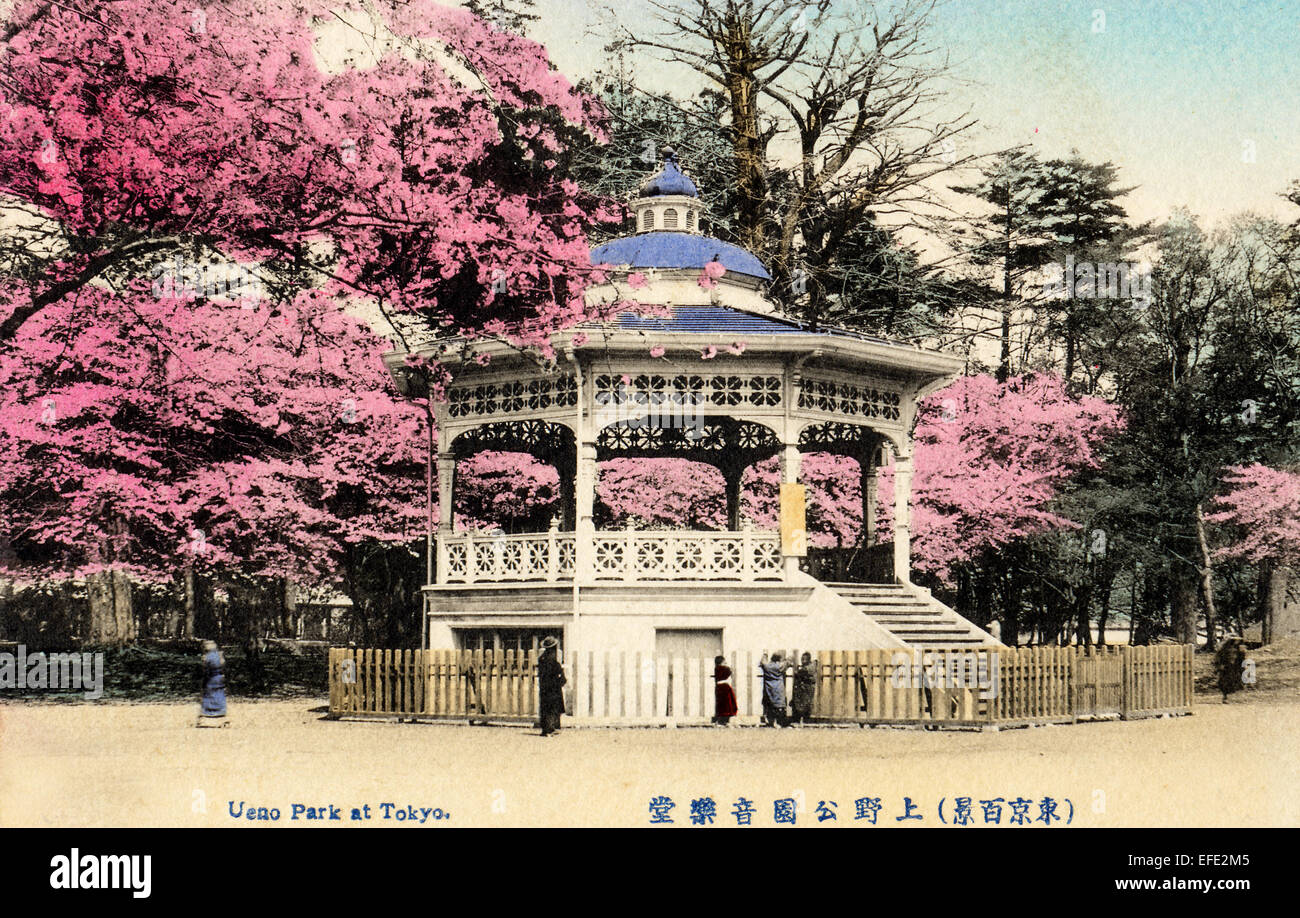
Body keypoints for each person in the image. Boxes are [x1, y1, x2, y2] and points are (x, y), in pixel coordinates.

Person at [538, 637, 567, 736]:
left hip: (544, 688)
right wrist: (561, 680)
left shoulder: (541, 659)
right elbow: (560, 677)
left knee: (545, 708)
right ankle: (550, 729)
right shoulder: (553, 662)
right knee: (552, 708)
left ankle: (546, 729)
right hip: (553, 688)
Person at [197, 640, 228, 727]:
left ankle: (206, 716)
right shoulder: (220, 656)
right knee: (220, 695)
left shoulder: (207, 658)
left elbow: (206, 670)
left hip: (211, 679)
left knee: (207, 696)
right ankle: (221, 715)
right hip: (220, 678)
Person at [757, 652, 792, 727]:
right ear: (778, 660)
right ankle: (779, 722)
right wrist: (786, 659)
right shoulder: (779, 666)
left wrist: (765, 655)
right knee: (778, 706)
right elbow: (788, 662)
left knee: (770, 705)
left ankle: (771, 722)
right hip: (778, 688)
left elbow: (762, 661)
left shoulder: (767, 666)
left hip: (769, 688)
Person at [1214, 637, 1247, 704]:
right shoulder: (1224, 650)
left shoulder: (1239, 650)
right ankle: (1226, 697)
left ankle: (1232, 697)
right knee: (1226, 683)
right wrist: (1219, 666)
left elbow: (1242, 659)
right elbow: (1219, 658)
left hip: (1235, 668)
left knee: (1236, 682)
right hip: (1227, 668)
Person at [790, 652, 818, 725]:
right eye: (802, 659)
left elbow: (800, 673)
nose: (802, 661)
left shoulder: (809, 667)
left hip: (807, 688)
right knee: (802, 703)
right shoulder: (809, 666)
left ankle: (804, 719)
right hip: (804, 688)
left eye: (804, 659)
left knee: (805, 703)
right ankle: (802, 719)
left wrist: (797, 672)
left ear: (808, 660)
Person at [713, 655, 738, 726]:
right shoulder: (723, 668)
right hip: (725, 687)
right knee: (727, 704)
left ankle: (723, 720)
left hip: (720, 687)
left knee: (722, 704)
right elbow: (729, 671)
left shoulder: (717, 668)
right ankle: (724, 720)